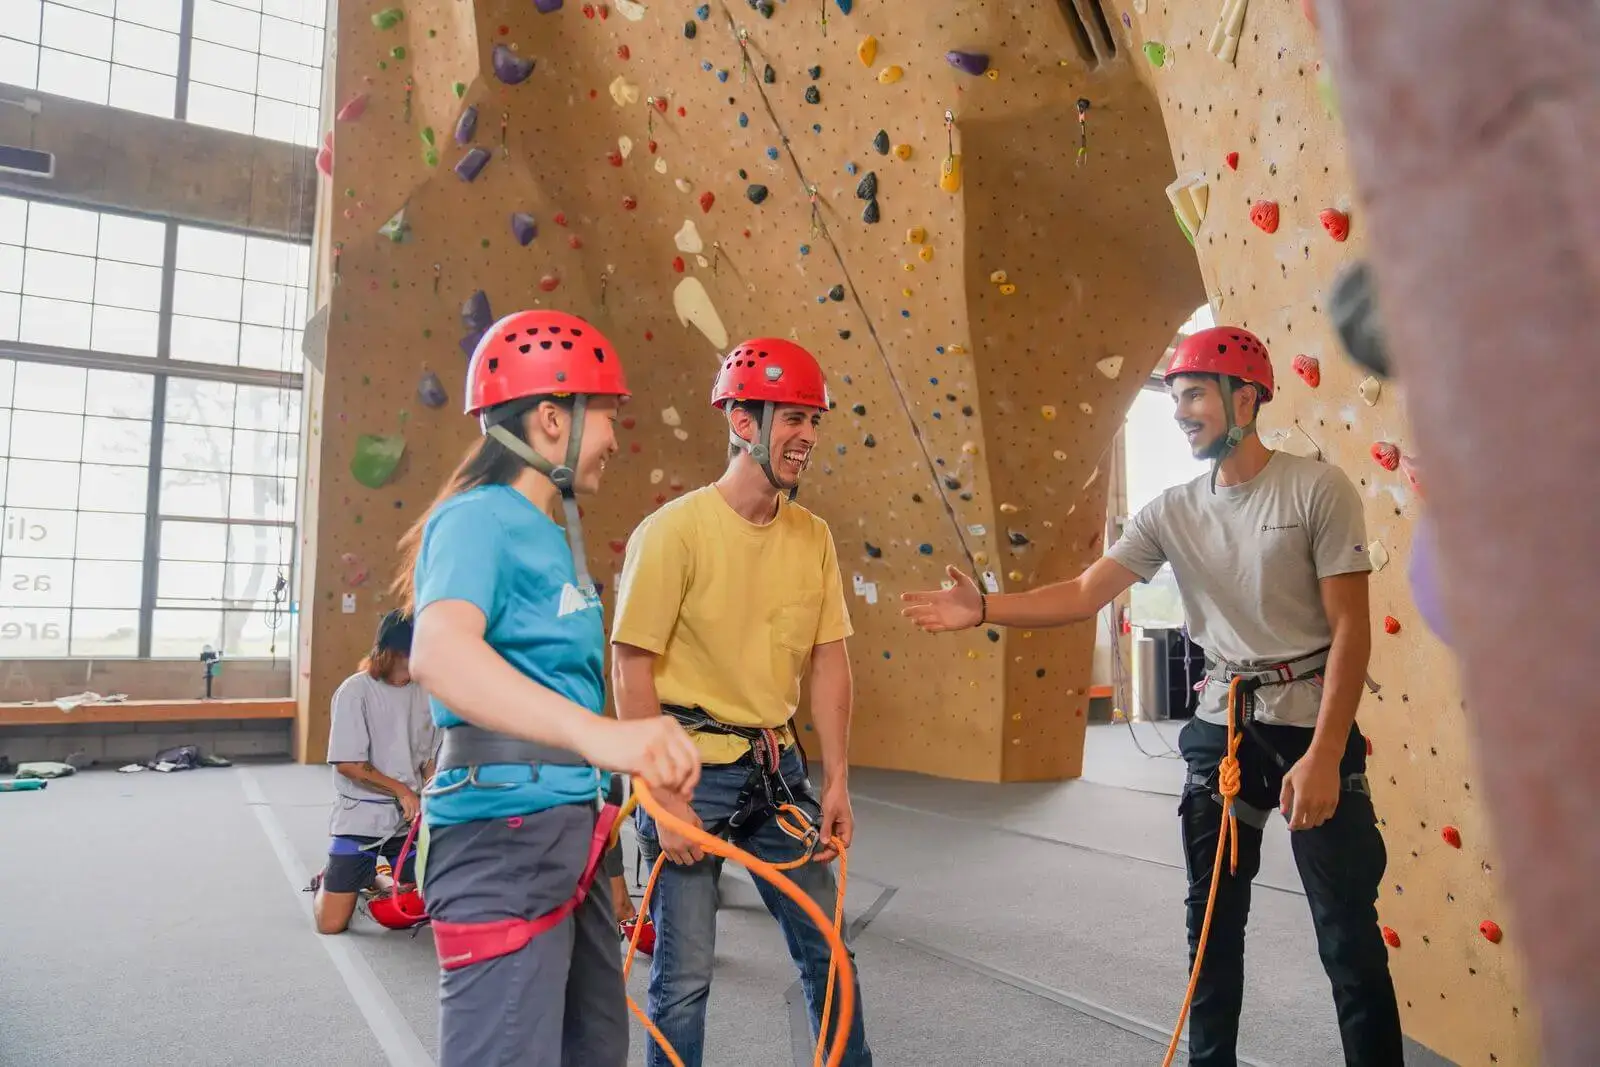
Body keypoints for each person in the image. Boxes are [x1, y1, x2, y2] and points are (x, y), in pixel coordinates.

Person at [901, 325, 1403, 1067]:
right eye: (1175, 399)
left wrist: (1327, 754)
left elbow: (1350, 630)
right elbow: (1080, 591)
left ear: (1247, 396)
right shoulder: (1171, 510)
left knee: (1347, 936)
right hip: (1223, 729)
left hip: (1309, 729)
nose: (1182, 412)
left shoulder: (1314, 490)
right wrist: (985, 609)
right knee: (1210, 932)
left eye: (1194, 393)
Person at [394, 308, 701, 1067]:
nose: (615, 439)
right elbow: (439, 652)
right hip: (501, 836)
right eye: (607, 415)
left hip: (571, 833)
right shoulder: (475, 520)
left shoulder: (558, 535)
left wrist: (630, 771)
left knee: (595, 1049)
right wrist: (605, 736)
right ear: (552, 419)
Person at [610, 337, 873, 1067]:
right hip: (690, 772)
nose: (809, 437)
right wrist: (662, 795)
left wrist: (839, 779)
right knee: (686, 980)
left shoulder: (812, 538)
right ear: (743, 421)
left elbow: (829, 662)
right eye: (793, 418)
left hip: (775, 772)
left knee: (833, 957)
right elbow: (630, 663)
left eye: (815, 421)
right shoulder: (674, 532)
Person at [309, 609, 435, 935]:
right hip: (359, 820)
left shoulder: (428, 692)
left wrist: (433, 794)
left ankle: (377, 874)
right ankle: (330, 877)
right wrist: (402, 790)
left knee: (412, 906)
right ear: (399, 650)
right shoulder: (355, 691)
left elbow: (429, 760)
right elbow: (348, 763)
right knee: (331, 925)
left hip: (408, 822)